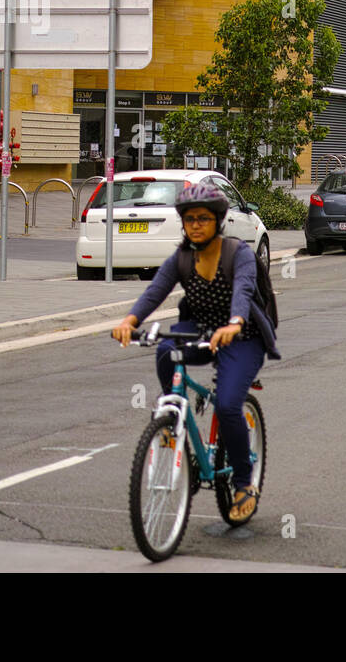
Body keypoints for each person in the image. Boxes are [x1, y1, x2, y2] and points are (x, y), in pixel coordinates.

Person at [111, 181, 278, 523]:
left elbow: (244, 290)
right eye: (190, 219)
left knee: (230, 404)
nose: (196, 224)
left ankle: (246, 484)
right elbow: (156, 290)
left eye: (203, 218)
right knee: (165, 349)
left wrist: (234, 322)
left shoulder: (238, 253)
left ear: (218, 221)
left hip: (242, 336)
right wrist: (129, 320)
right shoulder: (182, 257)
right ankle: (174, 412)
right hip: (200, 330)